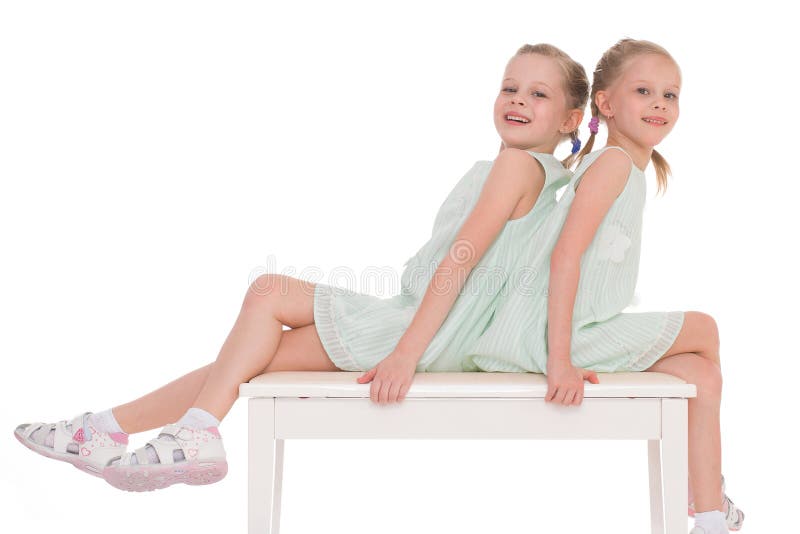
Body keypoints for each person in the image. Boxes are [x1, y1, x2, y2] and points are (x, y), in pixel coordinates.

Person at [14, 43, 589, 492]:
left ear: (570, 116)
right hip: (427, 322)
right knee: (245, 357)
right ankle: (119, 429)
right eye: (510, 86)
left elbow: (461, 263)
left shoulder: (517, 167)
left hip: (421, 328)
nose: (517, 99)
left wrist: (406, 353)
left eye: (539, 95)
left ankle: (172, 433)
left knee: (267, 294)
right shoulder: (539, 172)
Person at [461, 38, 743, 533]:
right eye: (643, 91)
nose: (659, 104)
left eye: (670, 95)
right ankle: (706, 497)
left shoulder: (625, 167)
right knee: (705, 329)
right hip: (556, 334)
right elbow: (564, 255)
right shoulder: (612, 165)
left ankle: (712, 512)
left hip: (580, 327)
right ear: (606, 105)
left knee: (703, 374)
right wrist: (560, 360)